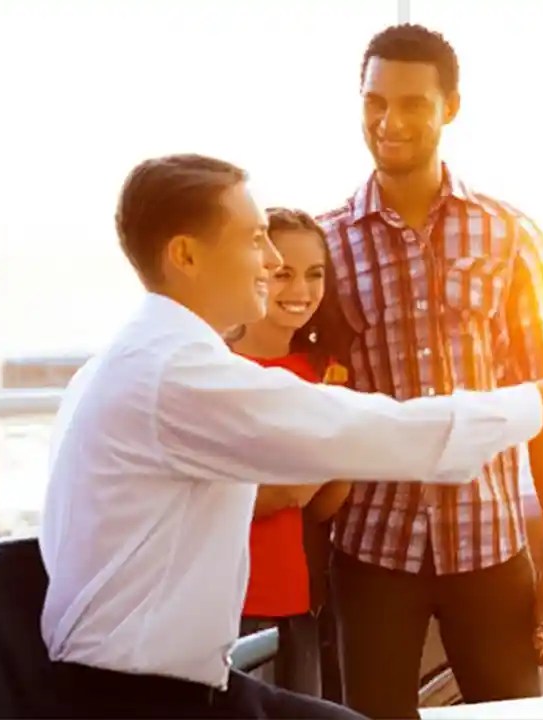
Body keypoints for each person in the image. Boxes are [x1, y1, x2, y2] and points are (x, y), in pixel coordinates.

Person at [37, 153, 543, 719]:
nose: (271, 260)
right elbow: (384, 432)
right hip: (138, 701)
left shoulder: (137, 359)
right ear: (186, 256)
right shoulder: (176, 375)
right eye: (253, 238)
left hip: (143, 684)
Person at [317, 24, 543, 718]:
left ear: (450, 108)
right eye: (375, 101)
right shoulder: (325, 244)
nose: (389, 121)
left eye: (412, 103)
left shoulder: (512, 235)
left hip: (490, 546)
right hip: (370, 551)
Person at [229, 207, 355, 698]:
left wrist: (343, 450)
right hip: (228, 601)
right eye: (283, 273)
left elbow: (319, 505)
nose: (301, 290)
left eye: (314, 274)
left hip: (296, 602)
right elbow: (276, 494)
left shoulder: (318, 374)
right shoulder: (218, 367)